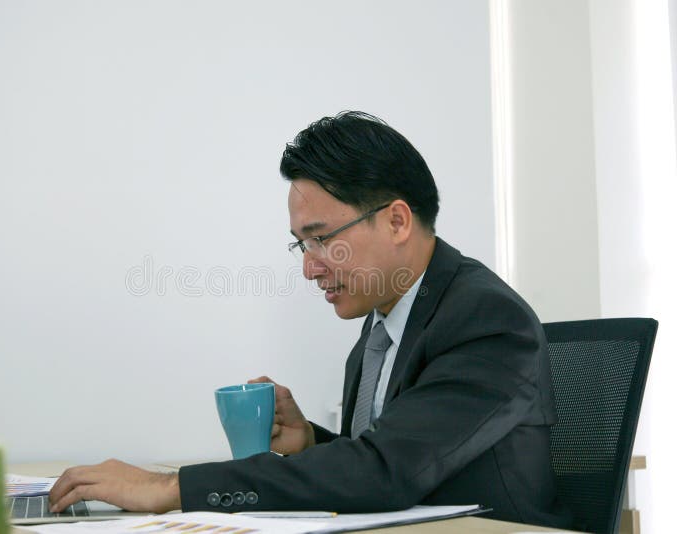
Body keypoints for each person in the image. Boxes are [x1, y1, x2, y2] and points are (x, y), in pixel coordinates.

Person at [49, 111, 572, 528]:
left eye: (322, 238)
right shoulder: (383, 327)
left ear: (396, 220)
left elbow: (385, 474)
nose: (309, 267)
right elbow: (395, 455)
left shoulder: (485, 318)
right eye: (301, 243)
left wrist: (171, 488)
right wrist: (314, 443)